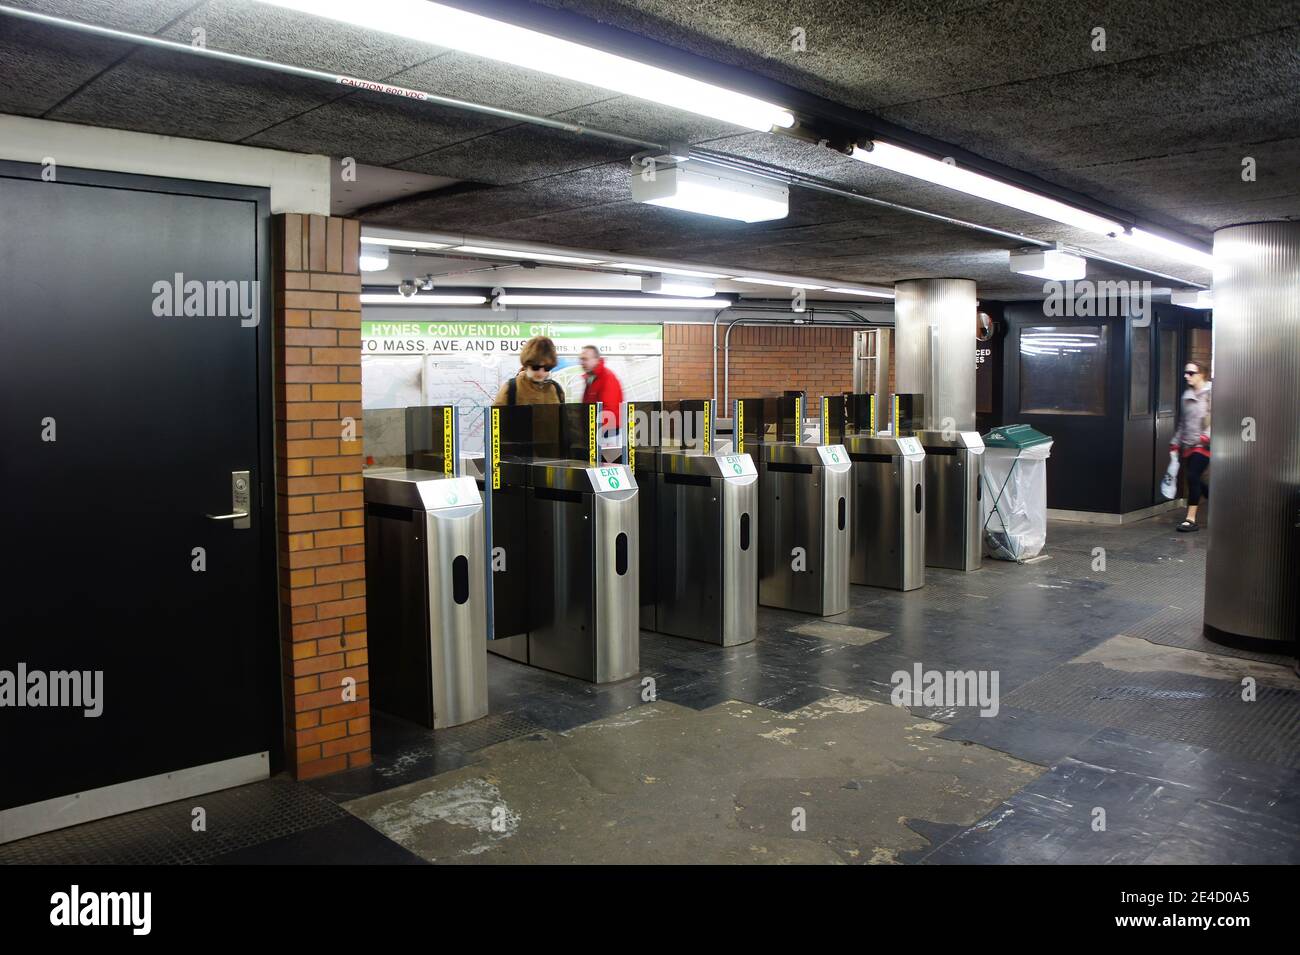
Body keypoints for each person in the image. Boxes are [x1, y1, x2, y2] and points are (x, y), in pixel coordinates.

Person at [1172, 359, 1211, 532]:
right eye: (1186, 372)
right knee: (1197, 481)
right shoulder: (1186, 397)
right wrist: (1175, 443)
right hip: (1188, 445)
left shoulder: (1212, 395)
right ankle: (1220, 505)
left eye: (1191, 373)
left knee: (1193, 477)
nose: (1186, 376)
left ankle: (1191, 519)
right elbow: (1183, 423)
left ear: (1201, 374)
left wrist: (1206, 436)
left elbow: (1219, 418)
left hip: (1204, 445)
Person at [493, 335, 564, 407]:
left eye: (547, 368)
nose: (541, 373)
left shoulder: (556, 390)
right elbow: (496, 416)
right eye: (535, 367)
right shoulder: (511, 389)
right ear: (526, 365)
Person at [579, 344, 624, 434]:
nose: (582, 363)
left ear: (596, 360)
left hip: (607, 431)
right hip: (596, 429)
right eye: (581, 359)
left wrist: (594, 431)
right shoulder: (591, 378)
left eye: (585, 359)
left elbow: (609, 411)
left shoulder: (607, 378)